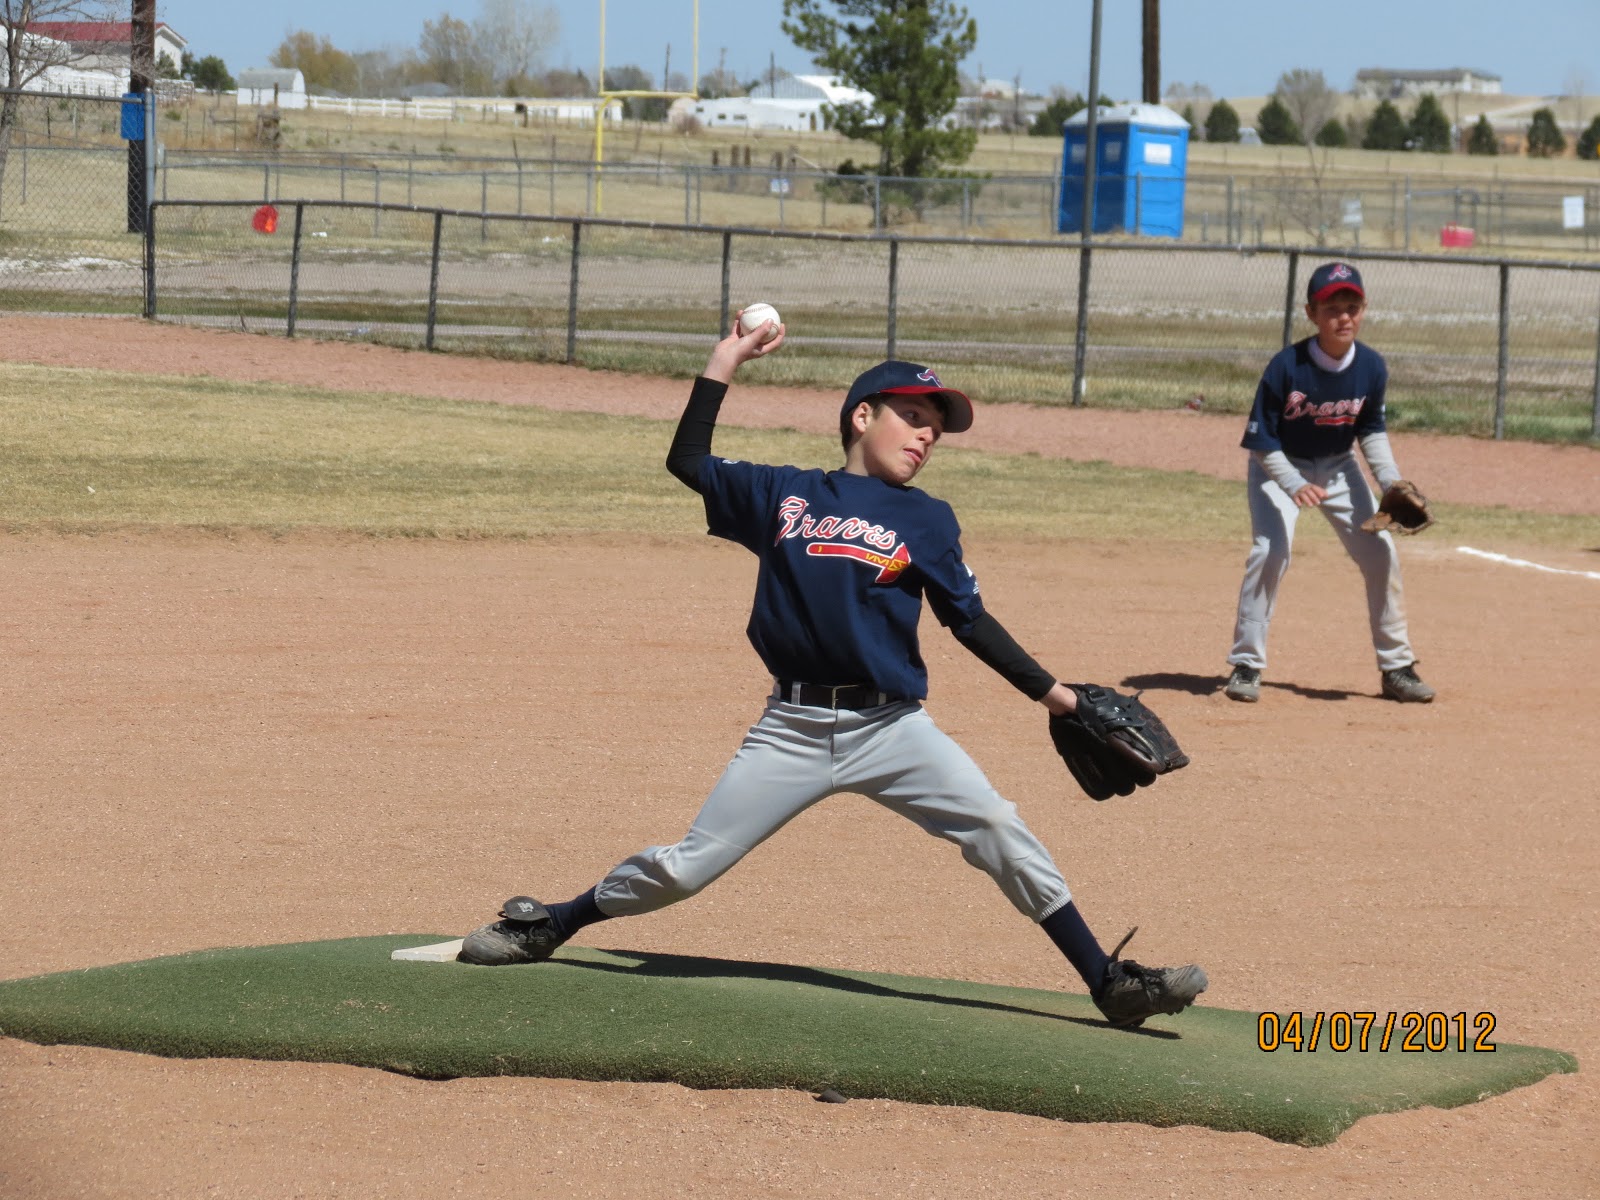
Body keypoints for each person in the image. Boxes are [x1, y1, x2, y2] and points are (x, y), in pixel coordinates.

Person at [456, 315, 1208, 1030]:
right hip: (792, 727)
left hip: (893, 729)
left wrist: (1059, 697)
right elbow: (687, 462)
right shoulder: (783, 493)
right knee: (688, 868)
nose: (927, 435)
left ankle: (1107, 983)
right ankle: (552, 924)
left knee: (996, 826)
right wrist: (725, 361)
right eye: (914, 416)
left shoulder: (928, 519)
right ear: (861, 416)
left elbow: (969, 621)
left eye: (936, 427)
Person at [1224, 261, 1435, 705]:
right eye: (1331, 308)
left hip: (1338, 466)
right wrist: (1293, 482)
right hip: (1278, 466)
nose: (1343, 317)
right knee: (1270, 553)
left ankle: (1397, 667)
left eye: (1351, 307)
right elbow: (1262, 441)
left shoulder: (1371, 366)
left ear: (1364, 310)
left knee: (1380, 554)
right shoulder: (1287, 366)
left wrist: (1390, 481)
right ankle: (1246, 664)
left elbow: (1371, 430)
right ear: (1311, 313)